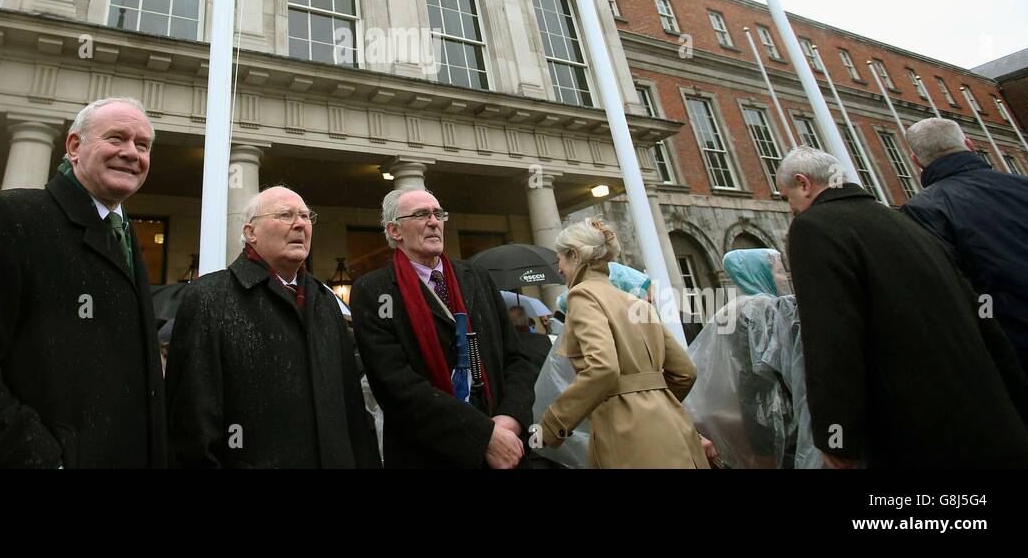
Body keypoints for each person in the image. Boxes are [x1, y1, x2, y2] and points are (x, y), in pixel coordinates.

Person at [0, 97, 167, 468]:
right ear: (74, 147)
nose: (131, 153)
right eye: (117, 138)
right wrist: (42, 461)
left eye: (143, 145)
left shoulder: (125, 237)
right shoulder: (8, 216)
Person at [777, 146, 1028, 468]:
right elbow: (981, 312)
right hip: (994, 421)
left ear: (804, 184)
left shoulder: (814, 227)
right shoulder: (903, 219)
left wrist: (836, 435)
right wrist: (1019, 399)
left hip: (920, 430)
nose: (791, 210)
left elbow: (831, 337)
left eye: (787, 199)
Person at [164, 186, 379, 468]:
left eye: (305, 216)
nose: (300, 224)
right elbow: (192, 419)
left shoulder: (326, 300)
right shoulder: (210, 297)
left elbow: (351, 406)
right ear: (250, 232)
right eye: (285, 215)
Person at [351, 187, 537, 468]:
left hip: (506, 448)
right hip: (429, 454)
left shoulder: (477, 277)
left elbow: (517, 358)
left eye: (438, 214)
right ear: (395, 230)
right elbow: (395, 385)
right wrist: (482, 435)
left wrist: (508, 422)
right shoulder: (373, 291)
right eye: (421, 214)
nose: (434, 221)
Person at [537, 219, 708, 469]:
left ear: (574, 255)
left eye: (559, 259)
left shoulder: (582, 296)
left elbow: (603, 367)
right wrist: (652, 398)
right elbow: (685, 372)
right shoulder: (635, 301)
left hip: (629, 437)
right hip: (676, 429)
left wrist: (548, 428)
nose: (559, 269)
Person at [902, 117, 1028, 391]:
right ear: (970, 145)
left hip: (1016, 351)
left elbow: (944, 291)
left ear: (916, 161)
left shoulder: (922, 210)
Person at [683, 249, 820, 469]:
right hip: (783, 402)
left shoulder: (731, 310)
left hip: (753, 406)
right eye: (777, 271)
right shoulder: (770, 308)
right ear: (756, 273)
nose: (783, 277)